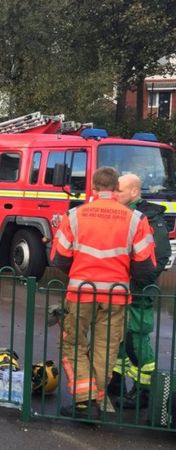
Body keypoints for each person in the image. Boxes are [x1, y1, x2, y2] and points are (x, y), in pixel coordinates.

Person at [51, 166, 156, 418]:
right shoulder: (136, 219)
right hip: (116, 295)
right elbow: (146, 266)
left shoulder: (75, 215)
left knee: (73, 344)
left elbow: (59, 257)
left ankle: (84, 400)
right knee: (105, 348)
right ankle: (97, 400)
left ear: (93, 187)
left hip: (80, 293)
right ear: (116, 187)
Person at [108, 173, 172, 408]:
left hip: (138, 292)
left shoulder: (149, 218)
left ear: (134, 192)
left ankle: (144, 392)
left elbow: (161, 257)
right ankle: (115, 384)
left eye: (120, 191)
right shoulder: (120, 213)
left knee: (136, 343)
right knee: (118, 339)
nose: (115, 195)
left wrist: (137, 284)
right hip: (119, 290)